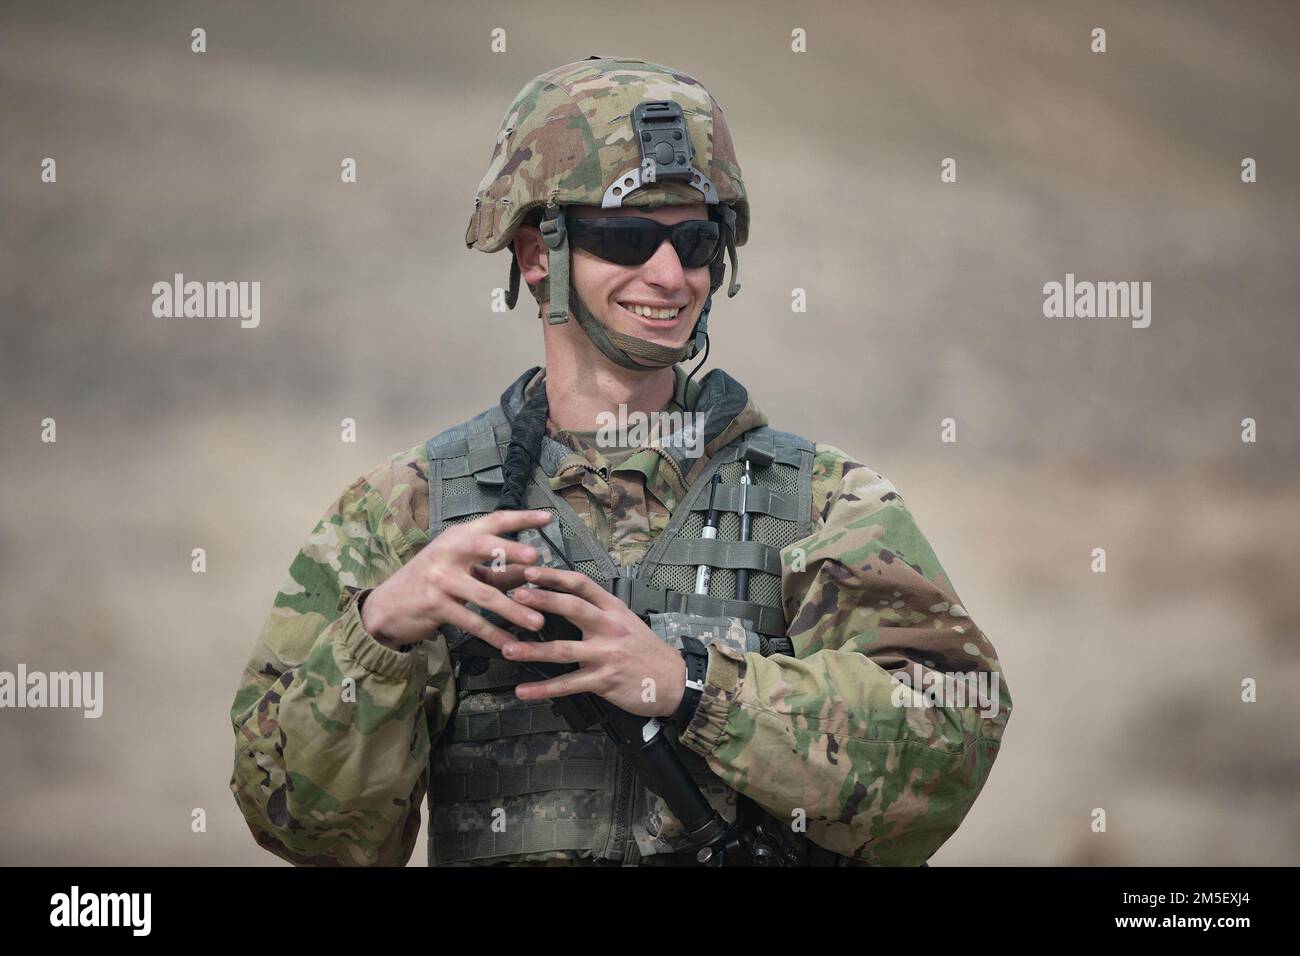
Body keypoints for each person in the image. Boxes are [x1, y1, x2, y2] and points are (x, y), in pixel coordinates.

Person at [228, 55, 1012, 867]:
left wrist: (698, 690)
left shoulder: (822, 503)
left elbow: (955, 741)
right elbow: (302, 828)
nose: (669, 275)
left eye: (695, 240)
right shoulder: (407, 514)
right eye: (628, 237)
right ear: (539, 254)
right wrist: (380, 635)